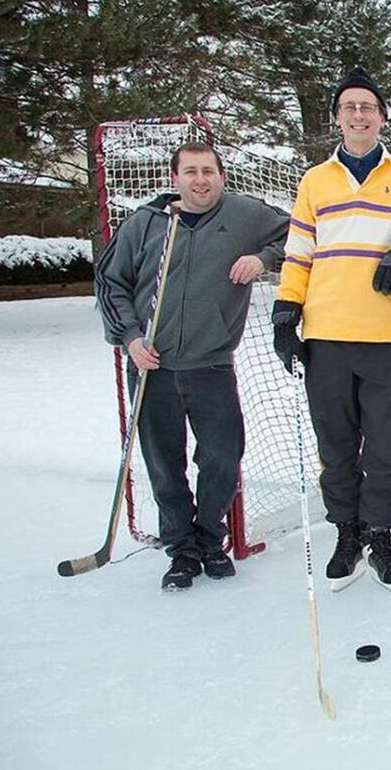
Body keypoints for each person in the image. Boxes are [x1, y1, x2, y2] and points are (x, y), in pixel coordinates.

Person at [271, 67, 391, 594]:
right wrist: (285, 312)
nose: (360, 114)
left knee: (388, 445)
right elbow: (299, 254)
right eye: (350, 107)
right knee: (337, 443)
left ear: (383, 116)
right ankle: (347, 533)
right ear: (337, 118)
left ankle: (380, 534)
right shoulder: (314, 181)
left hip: (387, 335)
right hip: (327, 334)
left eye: (369, 106)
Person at [95, 141, 288, 589]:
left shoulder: (245, 215)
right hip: (152, 365)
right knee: (165, 462)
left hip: (210, 363)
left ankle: (209, 539)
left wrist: (262, 258)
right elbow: (111, 282)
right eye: (191, 172)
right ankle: (180, 549)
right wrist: (130, 337)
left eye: (208, 171)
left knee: (222, 457)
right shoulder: (146, 224)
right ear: (174, 178)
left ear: (222, 176)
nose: (200, 180)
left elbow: (298, 234)